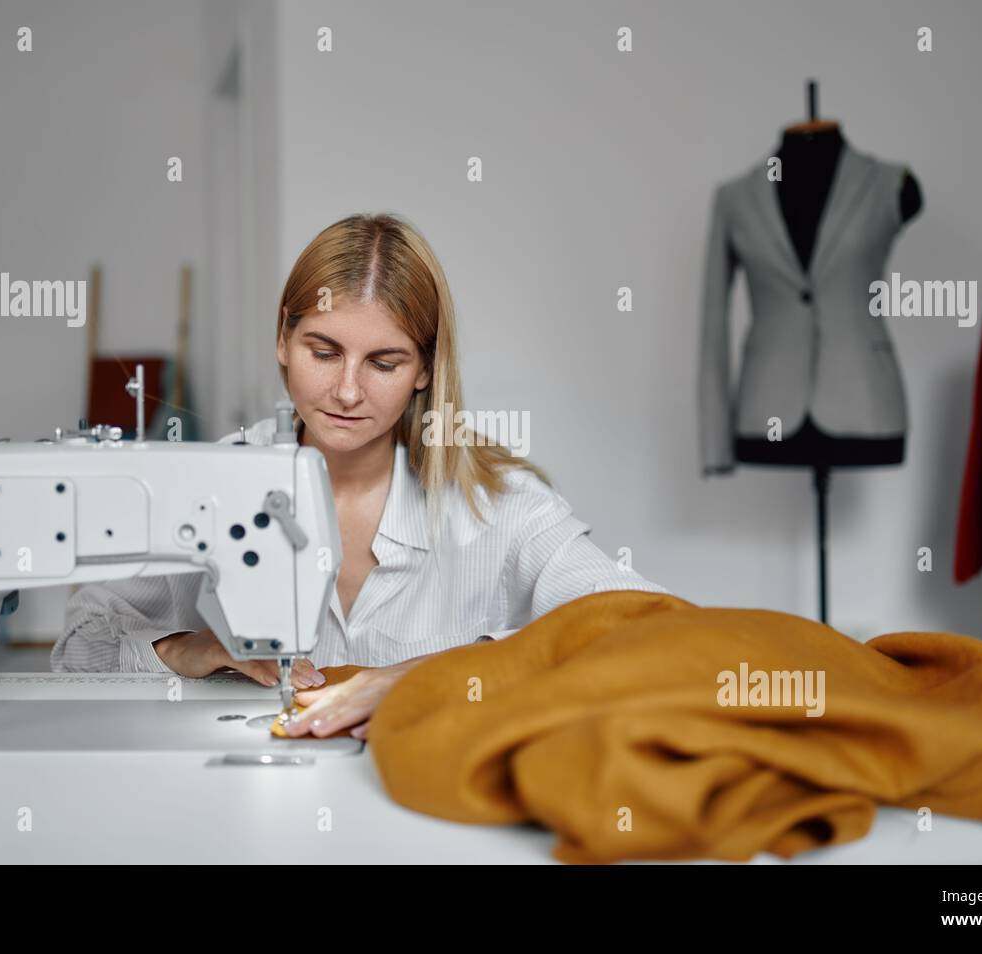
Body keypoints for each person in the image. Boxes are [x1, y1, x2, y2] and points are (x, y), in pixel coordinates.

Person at [55, 212, 668, 739]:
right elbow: (76, 652)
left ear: (425, 369)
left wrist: (440, 672)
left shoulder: (501, 504)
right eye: (323, 352)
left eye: (384, 362)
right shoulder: (204, 486)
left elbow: (644, 626)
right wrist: (188, 650)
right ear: (282, 338)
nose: (347, 391)